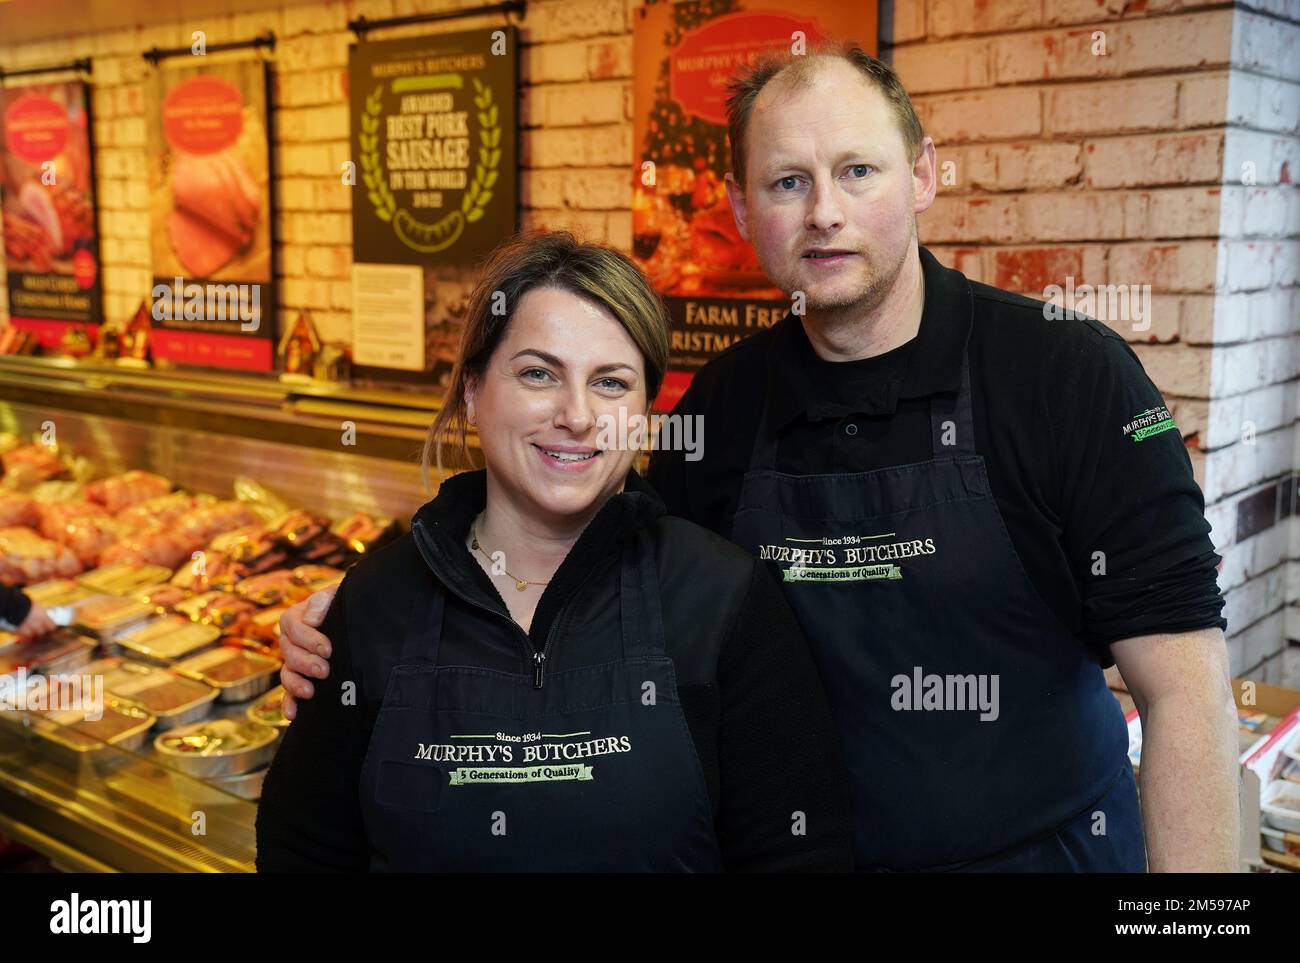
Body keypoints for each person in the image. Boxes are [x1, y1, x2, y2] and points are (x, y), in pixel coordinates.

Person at [280, 44, 1238, 872]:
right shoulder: (725, 408)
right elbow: (598, 585)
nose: (824, 211)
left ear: (924, 174)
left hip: (1044, 857)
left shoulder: (1067, 373)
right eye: (788, 182)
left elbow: (1184, 681)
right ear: (742, 208)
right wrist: (369, 620)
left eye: (858, 171)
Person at [256, 232, 853, 872]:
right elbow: (303, 854)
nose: (577, 414)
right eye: (539, 373)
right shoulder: (375, 603)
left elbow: (798, 857)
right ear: (472, 391)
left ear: (645, 411)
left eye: (611, 383)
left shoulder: (724, 601)